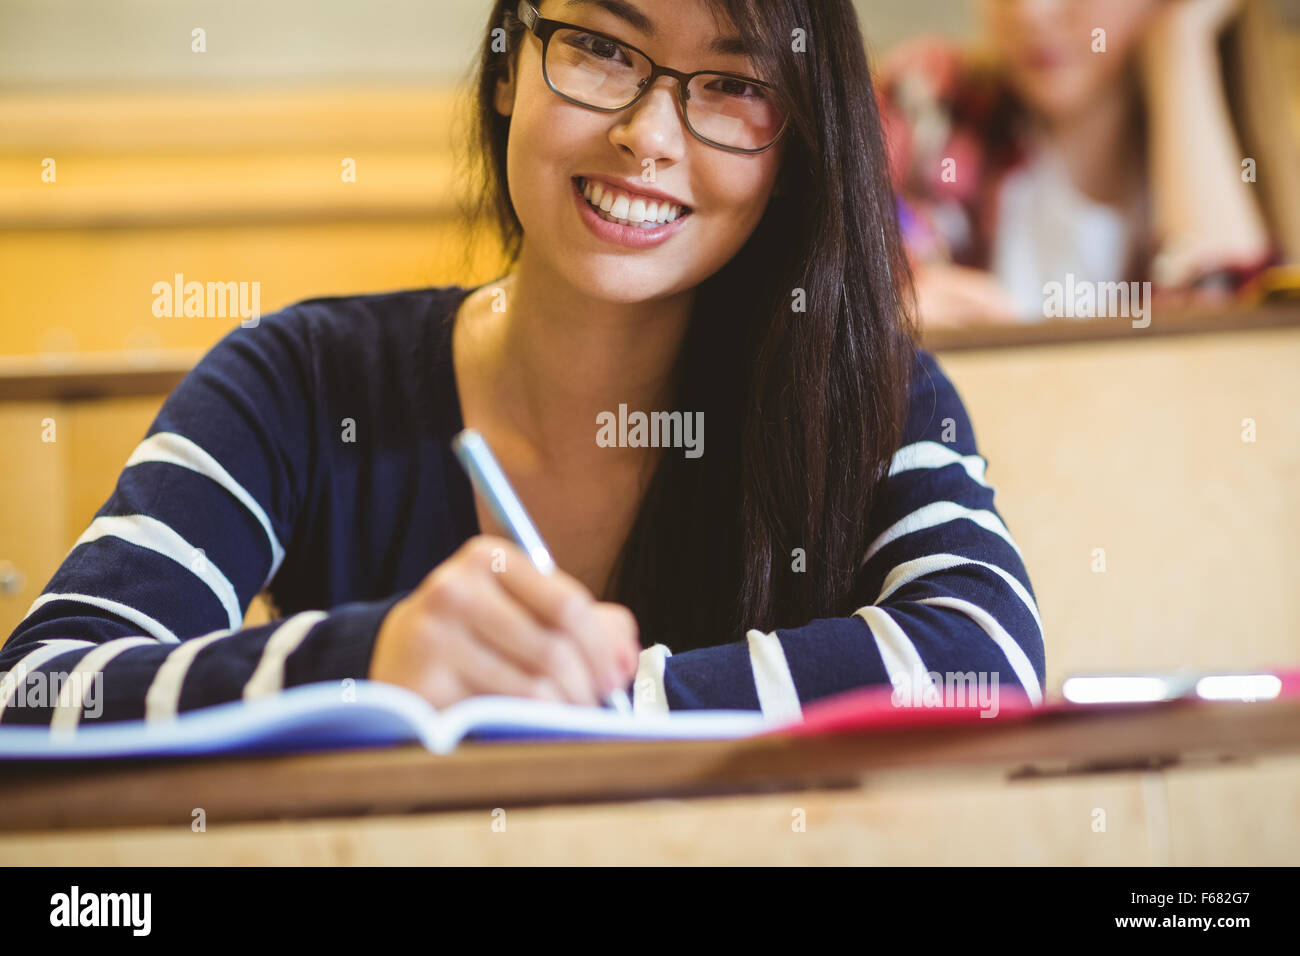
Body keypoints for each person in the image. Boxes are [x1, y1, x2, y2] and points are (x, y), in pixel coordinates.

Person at [0, 0, 1044, 730]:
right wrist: (369, 667)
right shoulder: (303, 381)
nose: (646, 135)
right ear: (508, 64)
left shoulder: (868, 394)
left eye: (730, 84)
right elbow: (41, 690)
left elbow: (982, 659)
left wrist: (575, 707)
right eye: (600, 46)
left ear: (795, 150)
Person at [878, 0, 1279, 327]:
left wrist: (1180, 46)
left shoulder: (1254, 154)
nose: (1032, 11)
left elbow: (1228, 361)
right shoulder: (924, 108)